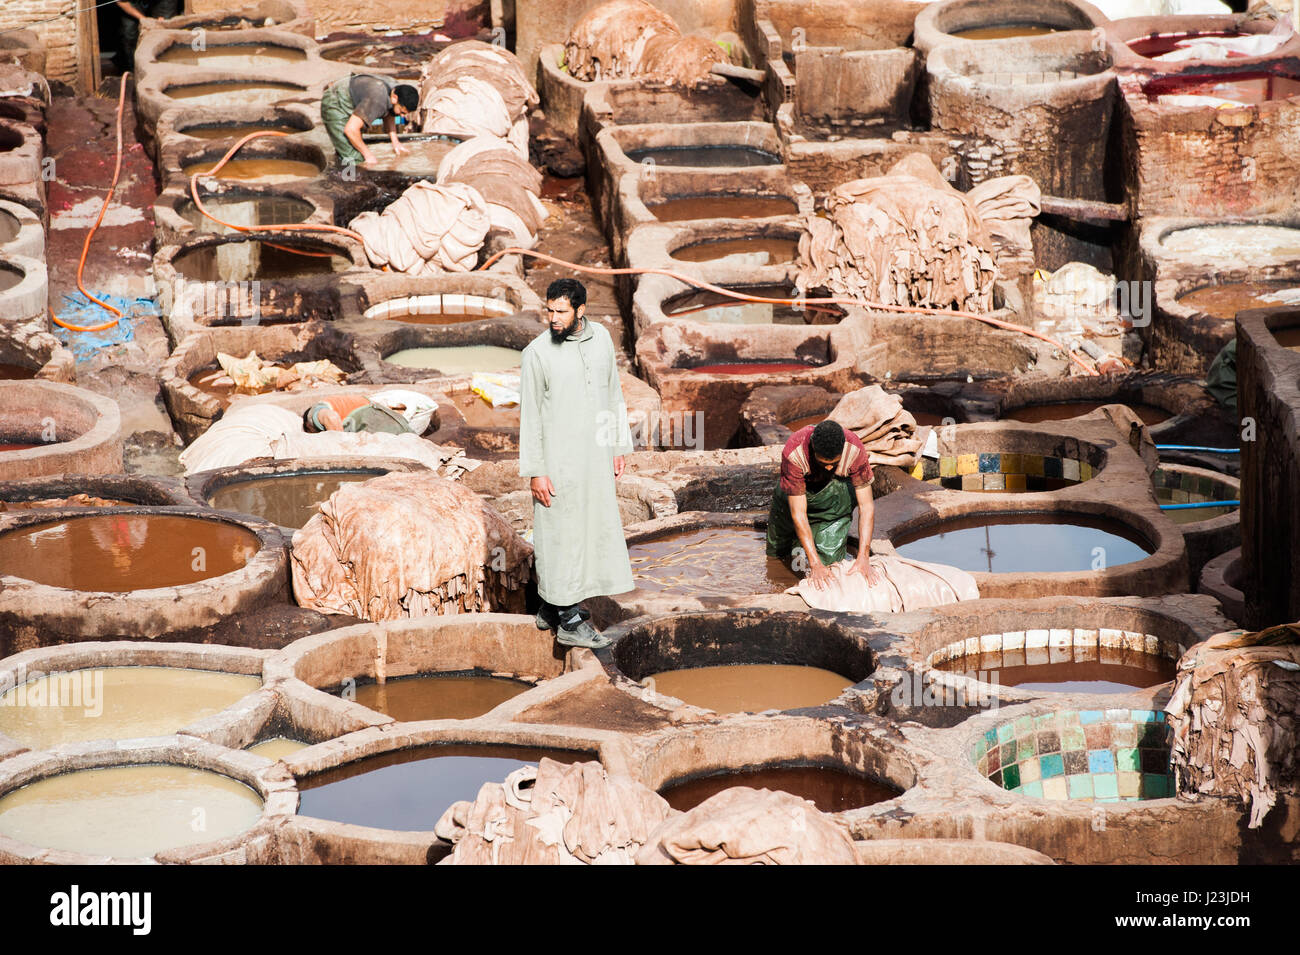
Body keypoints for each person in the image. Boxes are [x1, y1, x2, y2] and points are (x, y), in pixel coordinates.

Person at [519, 278, 633, 649]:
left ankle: (553, 607)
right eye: (549, 310)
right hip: (558, 463)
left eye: (560, 311)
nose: (552, 318)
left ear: (580, 311)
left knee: (588, 530)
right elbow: (530, 417)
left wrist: (617, 443)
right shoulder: (537, 354)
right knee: (559, 534)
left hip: (594, 458)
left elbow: (612, 392)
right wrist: (536, 469)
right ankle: (568, 620)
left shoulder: (601, 339)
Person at [766, 419, 883, 591]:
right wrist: (814, 564)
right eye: (822, 463)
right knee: (777, 555)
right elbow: (798, 514)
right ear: (813, 449)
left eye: (834, 463)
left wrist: (863, 557)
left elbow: (866, 506)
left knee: (831, 566)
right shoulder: (795, 452)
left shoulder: (854, 449)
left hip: (834, 502)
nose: (828, 468)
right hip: (794, 498)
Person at [319, 74, 419, 167]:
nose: (402, 116)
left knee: (352, 147)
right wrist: (369, 156)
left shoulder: (397, 90)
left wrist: (395, 142)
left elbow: (390, 113)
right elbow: (350, 130)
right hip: (335, 102)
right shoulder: (377, 99)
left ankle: (339, 167)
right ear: (395, 98)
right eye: (402, 112)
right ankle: (349, 182)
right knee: (354, 157)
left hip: (353, 96)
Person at [115, 0, 178, 71]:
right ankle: (134, 70)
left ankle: (163, 69)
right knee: (130, 33)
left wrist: (163, 22)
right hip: (131, 2)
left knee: (165, 30)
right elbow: (122, 2)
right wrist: (144, 19)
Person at [302, 395, 412, 435]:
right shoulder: (337, 401)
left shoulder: (313, 415)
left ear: (308, 426)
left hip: (377, 421)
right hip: (393, 421)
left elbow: (331, 417)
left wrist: (341, 448)